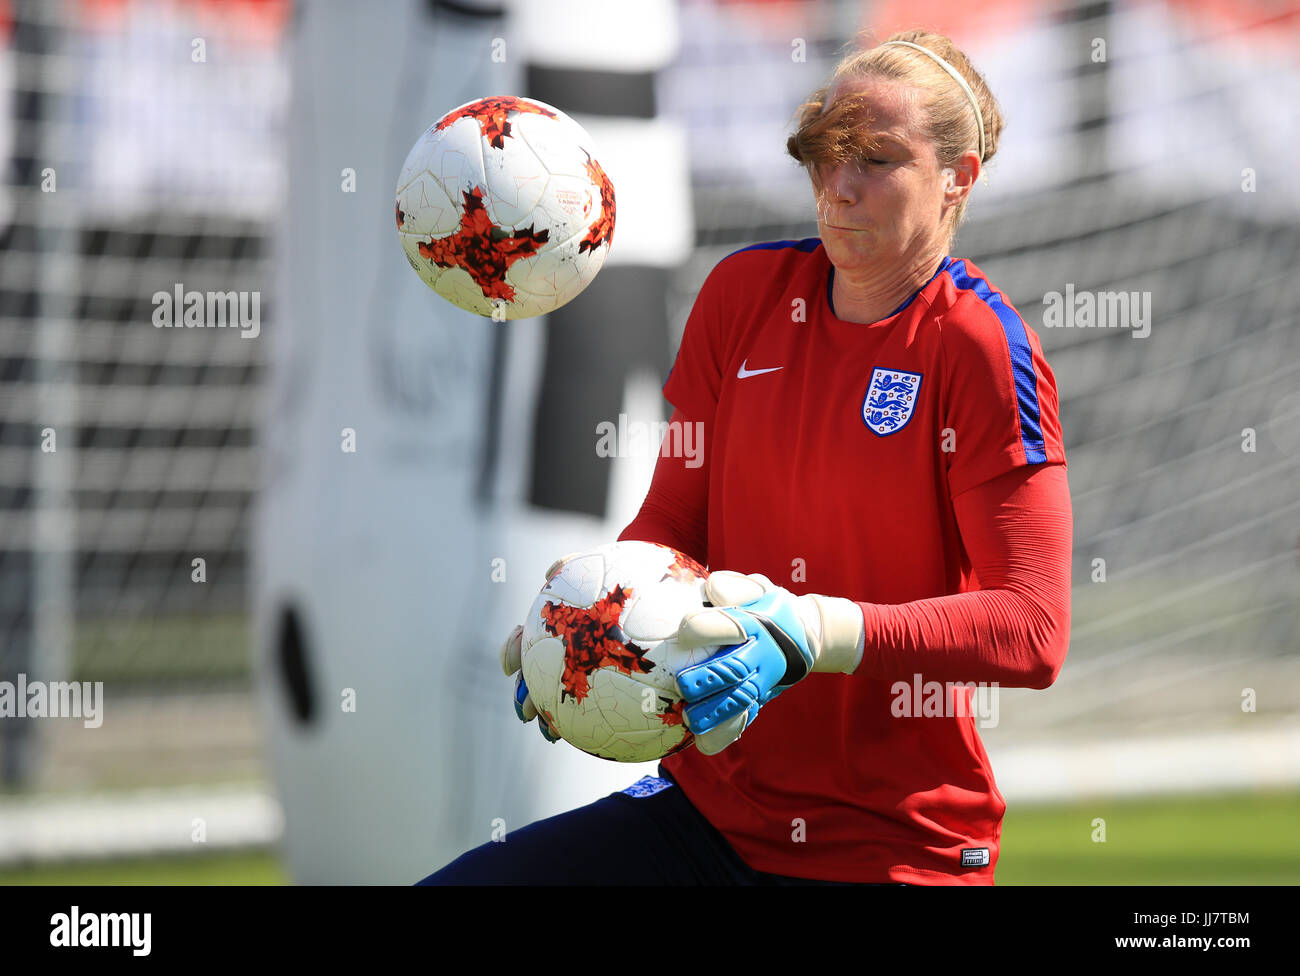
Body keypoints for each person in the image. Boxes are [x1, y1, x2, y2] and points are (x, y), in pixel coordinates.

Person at [418, 28, 1072, 886]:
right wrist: (586, 616)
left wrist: (817, 633)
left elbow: (1032, 628)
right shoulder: (743, 296)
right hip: (705, 815)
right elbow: (673, 525)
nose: (838, 187)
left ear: (960, 177)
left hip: (893, 848)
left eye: (877, 160)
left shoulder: (980, 345)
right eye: (824, 153)